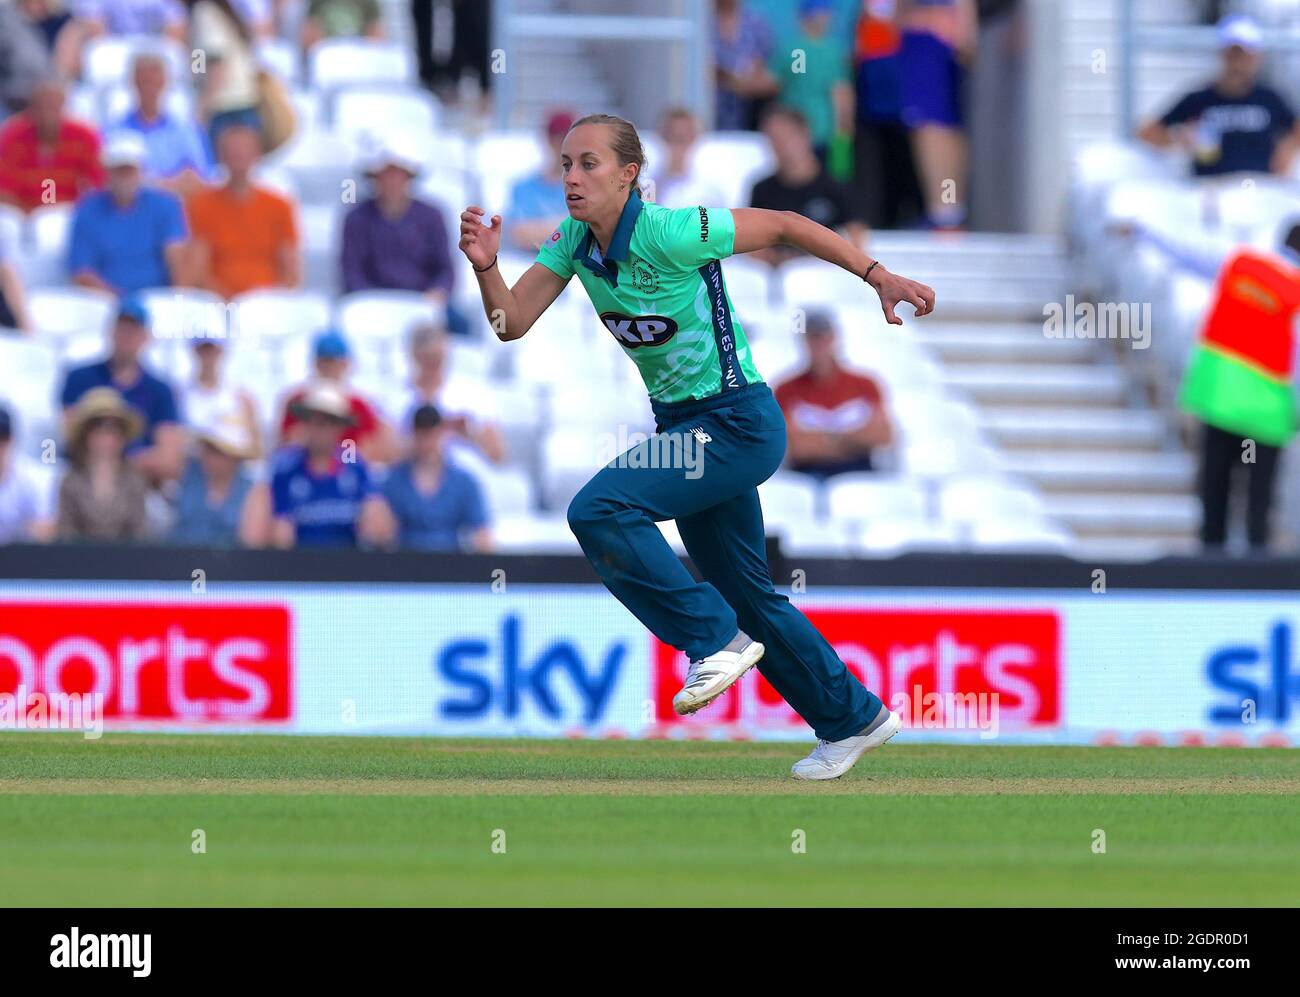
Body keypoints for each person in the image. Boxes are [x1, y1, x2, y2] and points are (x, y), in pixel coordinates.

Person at [459, 112, 935, 780]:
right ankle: (852, 716)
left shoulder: (673, 230)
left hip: (737, 422)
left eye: (588, 163)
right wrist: (487, 269)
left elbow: (789, 225)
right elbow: (511, 323)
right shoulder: (572, 242)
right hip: (686, 431)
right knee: (752, 595)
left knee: (598, 509)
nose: (571, 177)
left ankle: (711, 638)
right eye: (566, 164)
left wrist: (876, 273)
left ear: (629, 175)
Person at [1147, 219, 1300, 551]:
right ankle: (1256, 577)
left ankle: (1209, 571)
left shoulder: (1240, 264)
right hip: (1266, 415)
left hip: (1218, 400)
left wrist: (1143, 230)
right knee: (1259, 504)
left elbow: (1187, 254)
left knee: (1214, 491)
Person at [1139, 14, 1300, 179]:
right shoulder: (1199, 99)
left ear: (1256, 58)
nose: (1238, 63)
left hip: (1258, 187)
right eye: (1233, 54)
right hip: (1211, 188)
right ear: (1222, 55)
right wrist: (1178, 138)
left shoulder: (1269, 98)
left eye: (1245, 55)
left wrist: (1288, 149)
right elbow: (1147, 132)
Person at [339, 139, 471, 336]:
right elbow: (351, 272)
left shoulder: (432, 215)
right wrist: (371, 300)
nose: (392, 181)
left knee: (461, 327)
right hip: (374, 303)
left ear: (409, 177)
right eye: (386, 174)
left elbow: (445, 269)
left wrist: (436, 292)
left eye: (398, 174)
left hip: (422, 300)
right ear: (375, 178)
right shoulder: (356, 218)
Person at [60, 295, 185, 483]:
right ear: (110, 332)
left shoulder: (160, 390)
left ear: (145, 337)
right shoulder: (79, 378)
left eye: (133, 330)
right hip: (85, 481)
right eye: (122, 329)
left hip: (139, 485)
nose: (126, 336)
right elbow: (70, 439)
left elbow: (170, 461)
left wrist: (117, 462)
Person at [774, 309, 894, 480]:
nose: (818, 345)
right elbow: (796, 448)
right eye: (812, 338)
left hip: (858, 474)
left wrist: (824, 439)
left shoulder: (866, 385)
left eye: (823, 336)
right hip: (809, 475)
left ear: (833, 338)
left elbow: (883, 435)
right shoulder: (785, 389)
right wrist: (852, 441)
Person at [186, 123, 300, 299]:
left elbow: (291, 273)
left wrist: (264, 301)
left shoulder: (280, 206)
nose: (238, 155)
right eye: (232, 150)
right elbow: (197, 272)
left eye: (244, 149)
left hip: (269, 307)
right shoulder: (202, 205)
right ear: (220, 156)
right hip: (217, 305)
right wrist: (228, 299)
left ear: (257, 154)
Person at [269, 381, 388, 549]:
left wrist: (371, 521)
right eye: (314, 422)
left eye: (329, 423)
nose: (320, 431)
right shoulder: (287, 467)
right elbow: (281, 532)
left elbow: (377, 521)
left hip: (349, 564)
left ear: (340, 428)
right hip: (302, 565)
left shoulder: (352, 462)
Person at [67, 130, 188, 294]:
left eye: (129, 170)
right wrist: (121, 302)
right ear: (107, 173)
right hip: (107, 304)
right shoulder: (87, 211)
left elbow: (176, 257)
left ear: (141, 171)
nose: (124, 177)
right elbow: (82, 272)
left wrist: (178, 298)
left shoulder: (164, 205)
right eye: (118, 171)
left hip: (158, 300)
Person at [749, 105, 869, 266]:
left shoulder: (838, 187)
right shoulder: (762, 190)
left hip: (828, 277)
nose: (781, 145)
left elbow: (858, 243)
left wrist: (814, 263)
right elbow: (752, 248)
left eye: (787, 137)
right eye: (774, 138)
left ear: (805, 135)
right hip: (778, 278)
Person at [897, 0, 978, 229]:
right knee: (943, 125)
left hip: (928, 35)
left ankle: (945, 214)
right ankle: (949, 212)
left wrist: (966, 27)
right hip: (933, 35)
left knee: (931, 126)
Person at [383, 321, 505, 471]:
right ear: (414, 355)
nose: (434, 365)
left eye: (438, 358)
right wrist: (423, 439)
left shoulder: (473, 394)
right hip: (410, 481)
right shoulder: (396, 398)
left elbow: (498, 455)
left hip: (466, 479)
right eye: (428, 359)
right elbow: (384, 455)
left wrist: (468, 433)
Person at [378, 404, 491, 552]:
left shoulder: (464, 482)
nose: (427, 443)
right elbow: (383, 534)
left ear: (442, 434)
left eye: (431, 435)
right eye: (421, 435)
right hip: (405, 563)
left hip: (450, 564)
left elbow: (481, 530)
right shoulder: (394, 481)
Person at [278, 329, 399, 464]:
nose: (330, 368)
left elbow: (371, 450)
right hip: (305, 473)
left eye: (334, 362)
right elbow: (286, 446)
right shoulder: (298, 401)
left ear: (346, 364)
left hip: (345, 473)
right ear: (316, 363)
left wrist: (342, 459)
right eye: (325, 362)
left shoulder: (358, 404)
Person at [852, 0, 923, 230]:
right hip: (872, 78)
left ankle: (911, 215)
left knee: (907, 150)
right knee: (873, 156)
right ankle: (877, 218)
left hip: (903, 77)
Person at [56, 386, 151, 542]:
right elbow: (65, 537)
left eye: (113, 430)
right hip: (79, 563)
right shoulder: (70, 483)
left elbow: (140, 537)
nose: (105, 438)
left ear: (122, 437)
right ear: (85, 436)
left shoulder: (135, 482)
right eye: (97, 428)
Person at [110, 51, 213, 193]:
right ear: (133, 83)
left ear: (164, 83)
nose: (149, 88)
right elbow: (110, 178)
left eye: (153, 82)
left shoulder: (185, 129)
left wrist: (149, 185)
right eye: (143, 81)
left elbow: (197, 178)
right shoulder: (115, 129)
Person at [769, 0, 854, 166]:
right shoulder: (834, 50)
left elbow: (780, 81)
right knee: (832, 179)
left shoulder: (797, 49)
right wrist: (843, 139)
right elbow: (842, 98)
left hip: (801, 131)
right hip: (821, 131)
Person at [0, 76, 103, 212]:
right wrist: (27, 212)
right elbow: (4, 189)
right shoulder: (12, 135)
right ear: (32, 108)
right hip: (21, 214)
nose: (47, 114)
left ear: (64, 107)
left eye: (53, 107)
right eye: (41, 107)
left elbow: (97, 184)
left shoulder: (84, 137)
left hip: (68, 212)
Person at [171, 409, 270, 546]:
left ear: (236, 458)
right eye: (208, 448)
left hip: (232, 565)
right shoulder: (185, 475)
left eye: (219, 451)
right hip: (180, 562)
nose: (210, 456)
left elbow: (252, 546)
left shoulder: (254, 492)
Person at [183, 0, 261, 148]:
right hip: (240, 103)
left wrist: (202, 107)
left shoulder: (204, 11)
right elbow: (199, 55)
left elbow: (217, 64)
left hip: (225, 109)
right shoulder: (213, 11)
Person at [181, 326, 262, 458]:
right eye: (203, 350)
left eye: (212, 349)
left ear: (221, 351)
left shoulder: (241, 396)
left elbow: (256, 447)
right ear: (195, 351)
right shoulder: (180, 395)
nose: (207, 356)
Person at [504, 109, 574, 253]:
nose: (563, 145)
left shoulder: (591, 187)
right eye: (559, 138)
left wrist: (541, 232)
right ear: (547, 140)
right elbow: (520, 235)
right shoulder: (524, 187)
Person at [711, 0, 777, 132]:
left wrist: (740, 83)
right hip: (711, 117)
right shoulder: (700, 23)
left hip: (749, 118)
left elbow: (770, 75)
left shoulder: (756, 25)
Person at [649, 108, 726, 209]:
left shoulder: (710, 189)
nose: (677, 144)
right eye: (672, 136)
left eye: (682, 137)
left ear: (695, 137)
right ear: (661, 136)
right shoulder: (646, 186)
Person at [0, 404, 56, 542]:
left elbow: (46, 530)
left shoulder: (30, 478)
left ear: (11, 441)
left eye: (2, 439)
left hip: (19, 559)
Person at [301, 0, 382, 51]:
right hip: (327, 52)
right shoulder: (318, 2)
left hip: (359, 53)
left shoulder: (368, 2)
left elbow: (377, 36)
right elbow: (309, 37)